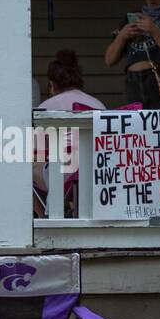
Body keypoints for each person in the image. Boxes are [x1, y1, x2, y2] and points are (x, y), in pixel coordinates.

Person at [33, 50, 104, 215]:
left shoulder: (47, 107)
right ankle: (71, 208)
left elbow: (37, 152)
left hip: (64, 174)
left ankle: (41, 215)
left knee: (21, 163)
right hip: (96, 170)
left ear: (52, 84)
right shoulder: (97, 103)